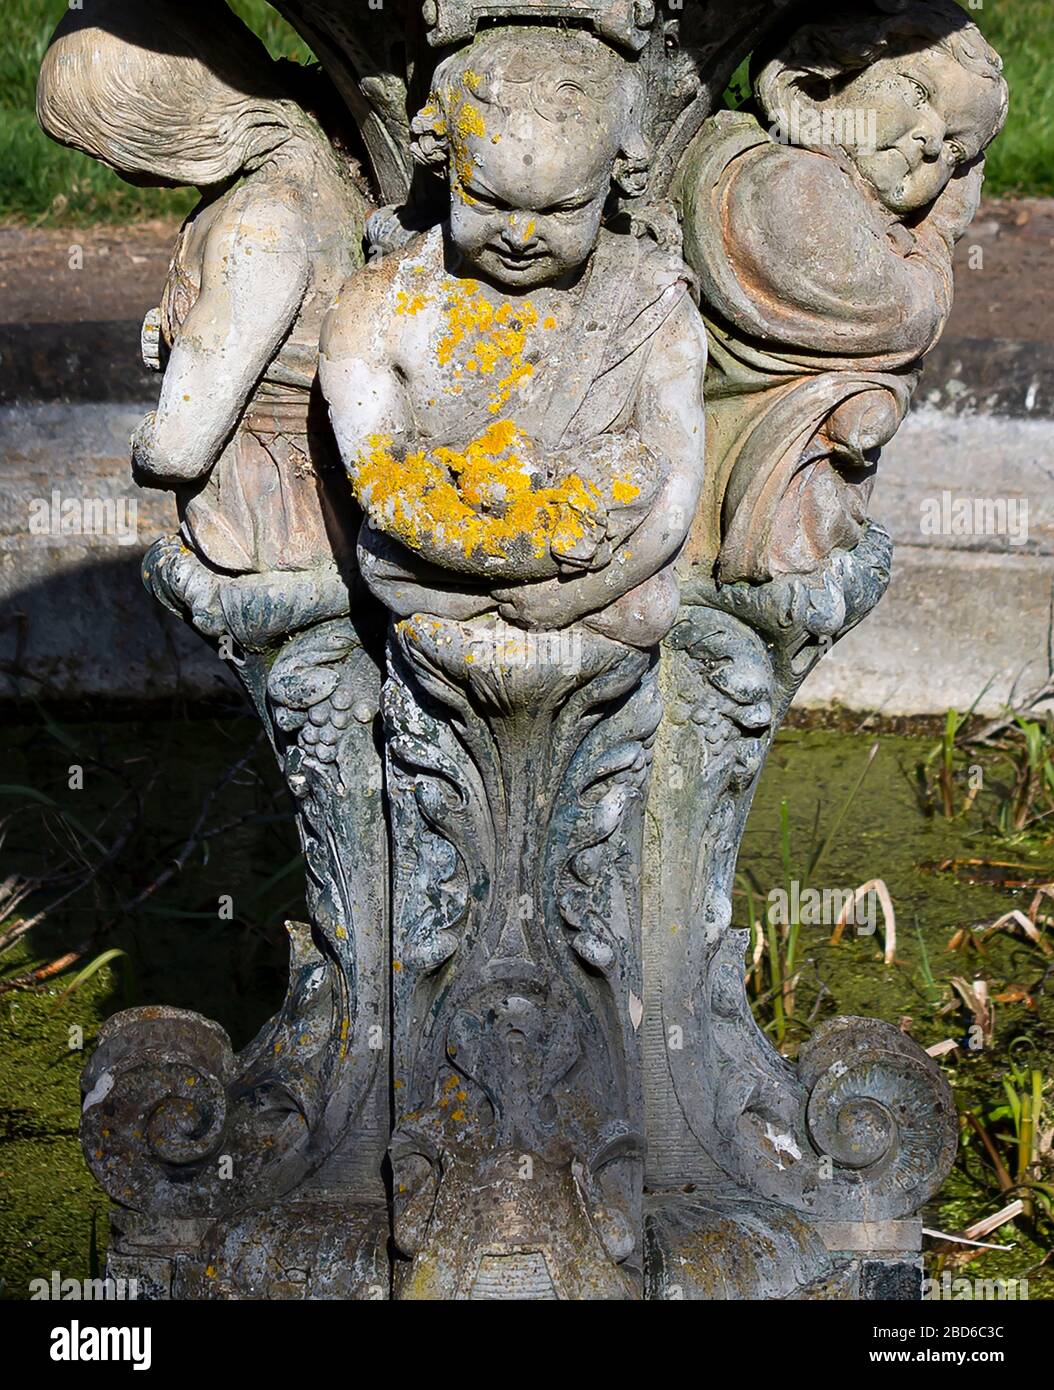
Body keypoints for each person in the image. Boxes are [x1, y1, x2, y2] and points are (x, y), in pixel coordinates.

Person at [320, 25, 708, 642]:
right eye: (489, 201)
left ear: (615, 179)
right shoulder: (381, 303)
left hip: (590, 588)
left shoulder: (650, 299)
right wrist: (496, 548)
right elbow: (382, 482)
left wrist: (582, 594)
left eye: (560, 211)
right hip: (436, 559)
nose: (521, 235)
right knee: (386, 569)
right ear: (446, 165)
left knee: (643, 608)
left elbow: (674, 494)